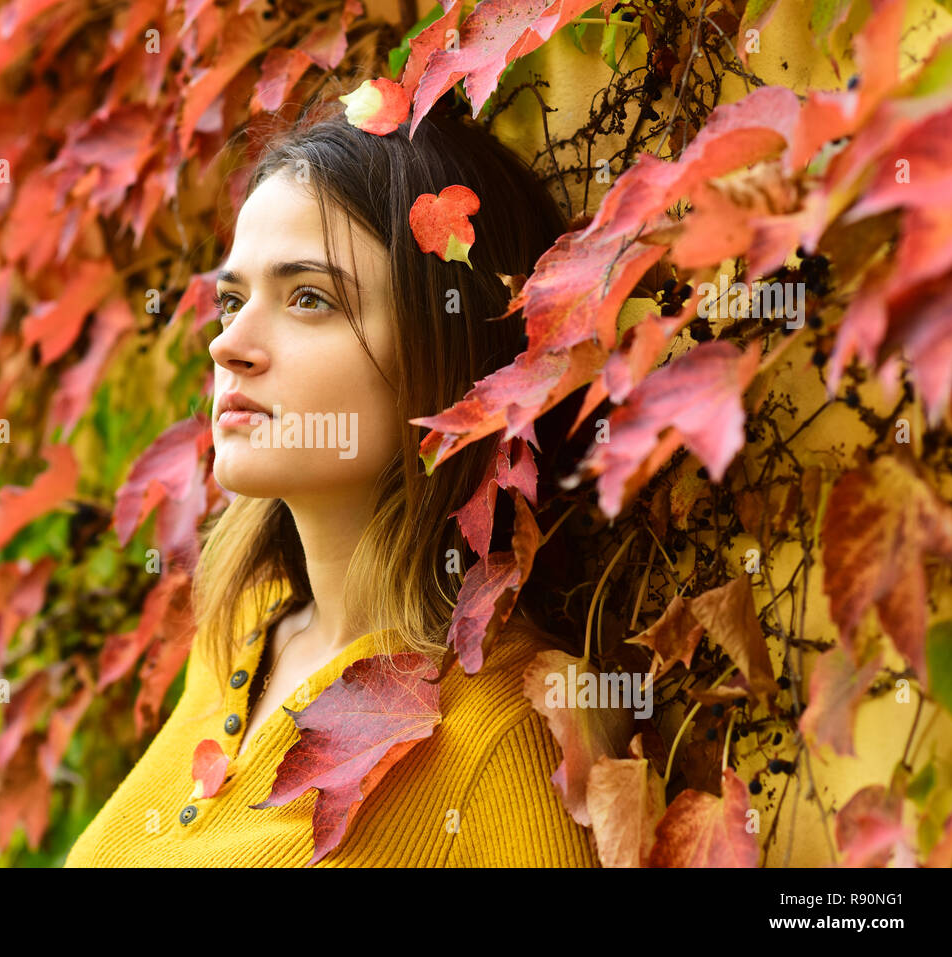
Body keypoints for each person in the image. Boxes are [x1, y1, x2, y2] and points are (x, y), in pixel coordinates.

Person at [65, 94, 603, 867]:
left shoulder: (500, 737)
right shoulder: (237, 636)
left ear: (446, 352)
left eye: (309, 298)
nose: (229, 346)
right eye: (232, 299)